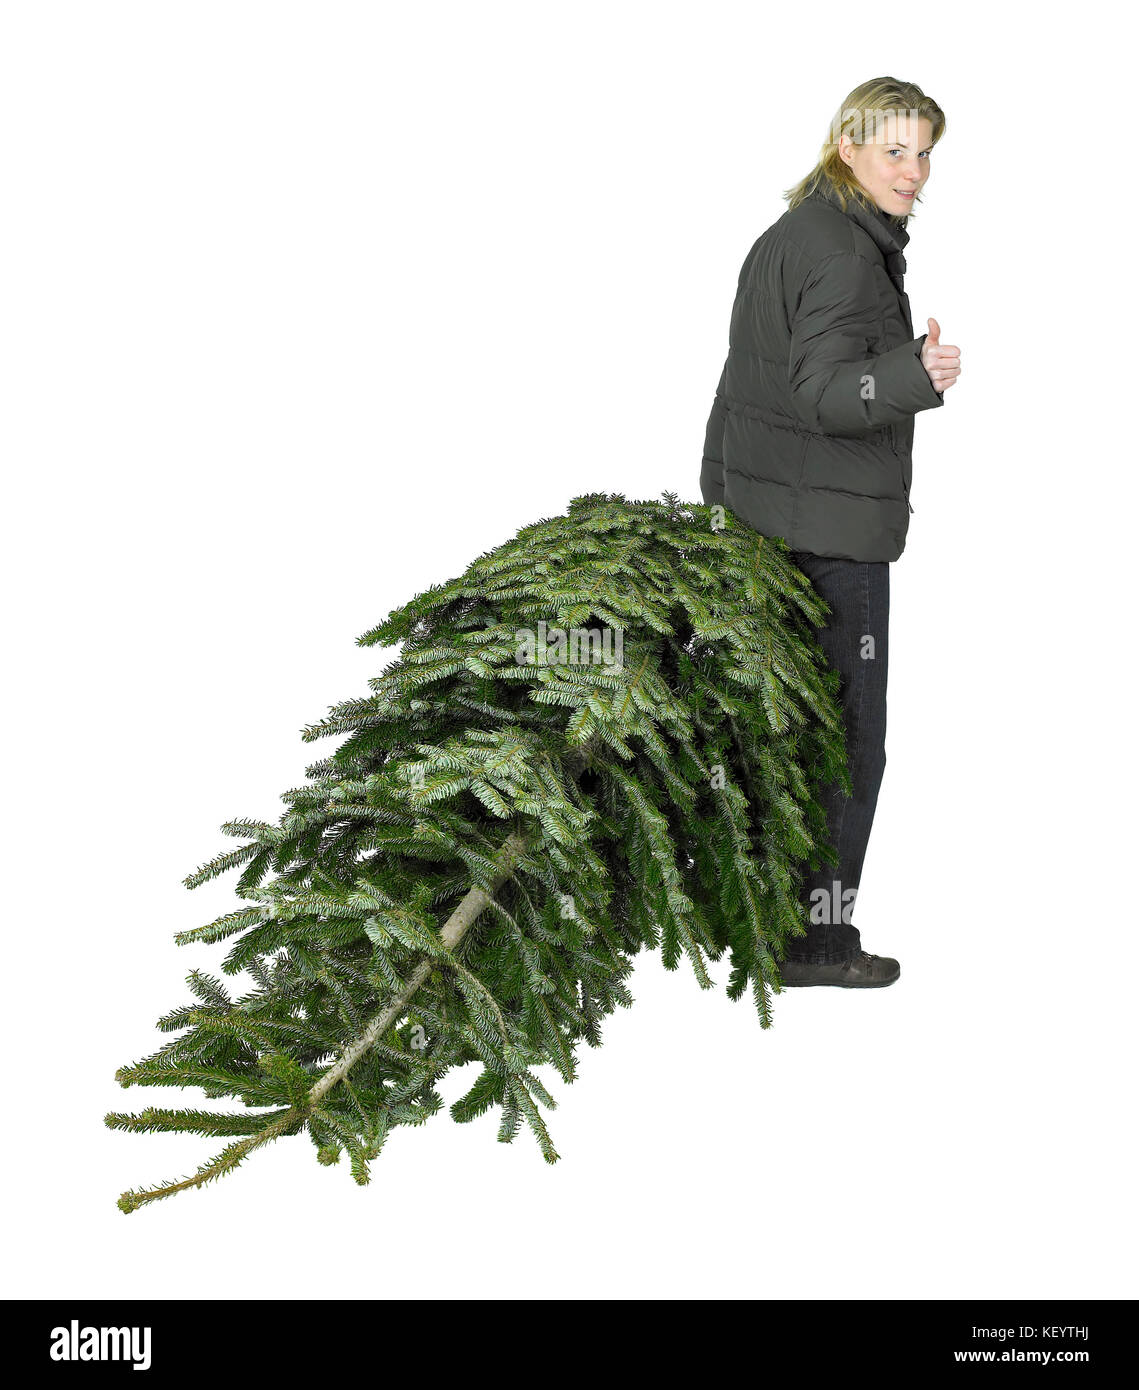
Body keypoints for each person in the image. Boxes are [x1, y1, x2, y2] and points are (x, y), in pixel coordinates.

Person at [699, 77, 961, 988]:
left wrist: (724, 503)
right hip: (832, 538)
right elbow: (818, 391)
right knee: (848, 744)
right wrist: (911, 373)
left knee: (786, 734)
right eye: (894, 150)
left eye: (924, 151)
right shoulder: (843, 254)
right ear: (847, 147)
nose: (913, 171)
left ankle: (764, 920)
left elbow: (742, 383)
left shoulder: (793, 235)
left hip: (772, 518)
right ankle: (815, 940)